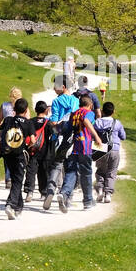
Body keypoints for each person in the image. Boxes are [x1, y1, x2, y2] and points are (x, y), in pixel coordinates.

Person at [59, 92, 102, 213]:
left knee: (71, 172)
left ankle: (64, 193)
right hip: (85, 147)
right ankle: (88, 201)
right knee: (86, 173)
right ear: (90, 104)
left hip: (74, 147)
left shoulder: (74, 113)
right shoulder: (89, 113)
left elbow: (67, 128)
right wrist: (96, 136)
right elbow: (87, 122)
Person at [41, 76, 79, 210]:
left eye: (55, 86)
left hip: (58, 138)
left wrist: (51, 123)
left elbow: (54, 121)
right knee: (70, 167)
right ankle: (67, 197)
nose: (53, 89)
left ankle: (50, 190)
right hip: (72, 138)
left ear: (63, 87)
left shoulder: (56, 101)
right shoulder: (76, 101)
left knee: (56, 165)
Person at [0, 98, 32, 219]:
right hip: (19, 155)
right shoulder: (28, 123)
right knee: (18, 181)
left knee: (15, 179)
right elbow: (32, 140)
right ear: (26, 110)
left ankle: (18, 207)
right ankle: (10, 204)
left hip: (7, 154)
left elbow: (1, 133)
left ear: (14, 109)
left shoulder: (7, 120)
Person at [93, 101, 127, 203]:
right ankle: (108, 194)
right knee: (112, 172)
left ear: (102, 111)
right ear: (113, 111)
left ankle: (99, 190)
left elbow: (92, 135)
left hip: (101, 149)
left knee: (100, 171)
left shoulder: (97, 122)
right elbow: (123, 137)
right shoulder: (117, 123)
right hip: (114, 149)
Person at [0, 86, 23, 185]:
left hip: (6, 134)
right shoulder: (23, 107)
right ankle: (15, 176)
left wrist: (2, 126)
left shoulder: (4, 105)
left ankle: (8, 177)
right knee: (17, 155)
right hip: (18, 135)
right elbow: (27, 120)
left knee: (6, 155)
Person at [22, 100, 49, 201]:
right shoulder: (48, 123)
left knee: (31, 170)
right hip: (44, 151)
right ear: (46, 110)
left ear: (35, 110)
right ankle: (43, 192)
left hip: (32, 149)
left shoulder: (30, 121)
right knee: (43, 171)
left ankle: (30, 191)